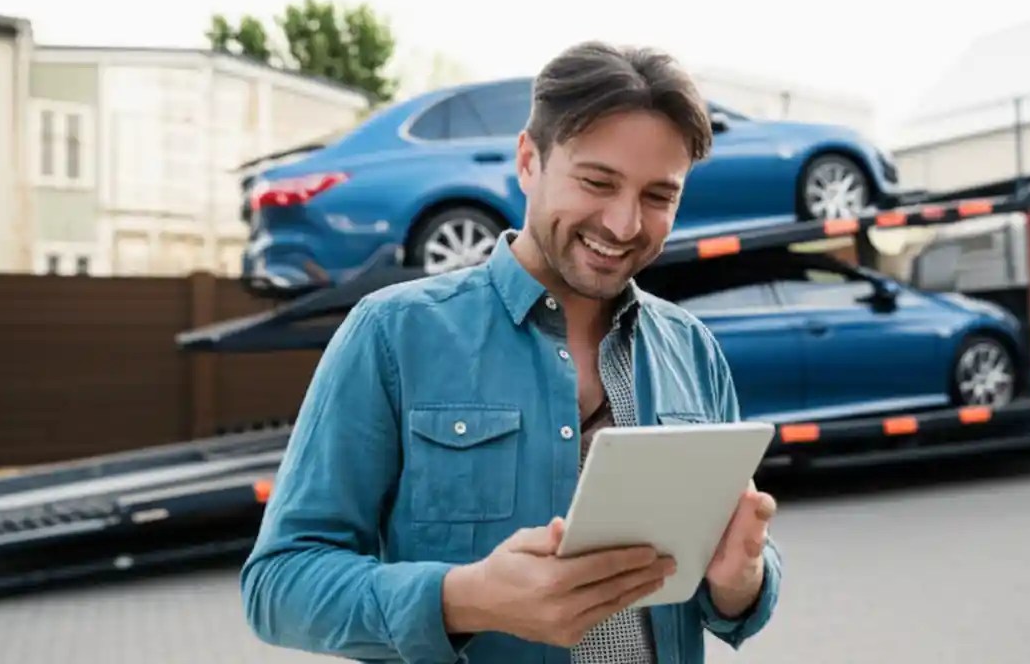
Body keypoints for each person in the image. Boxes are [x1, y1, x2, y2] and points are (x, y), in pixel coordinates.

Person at [240, 40, 782, 664]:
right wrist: (465, 599)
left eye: (659, 196)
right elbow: (278, 585)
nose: (624, 224)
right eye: (597, 182)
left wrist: (743, 581)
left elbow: (735, 582)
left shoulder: (693, 350)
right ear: (528, 161)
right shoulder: (393, 334)